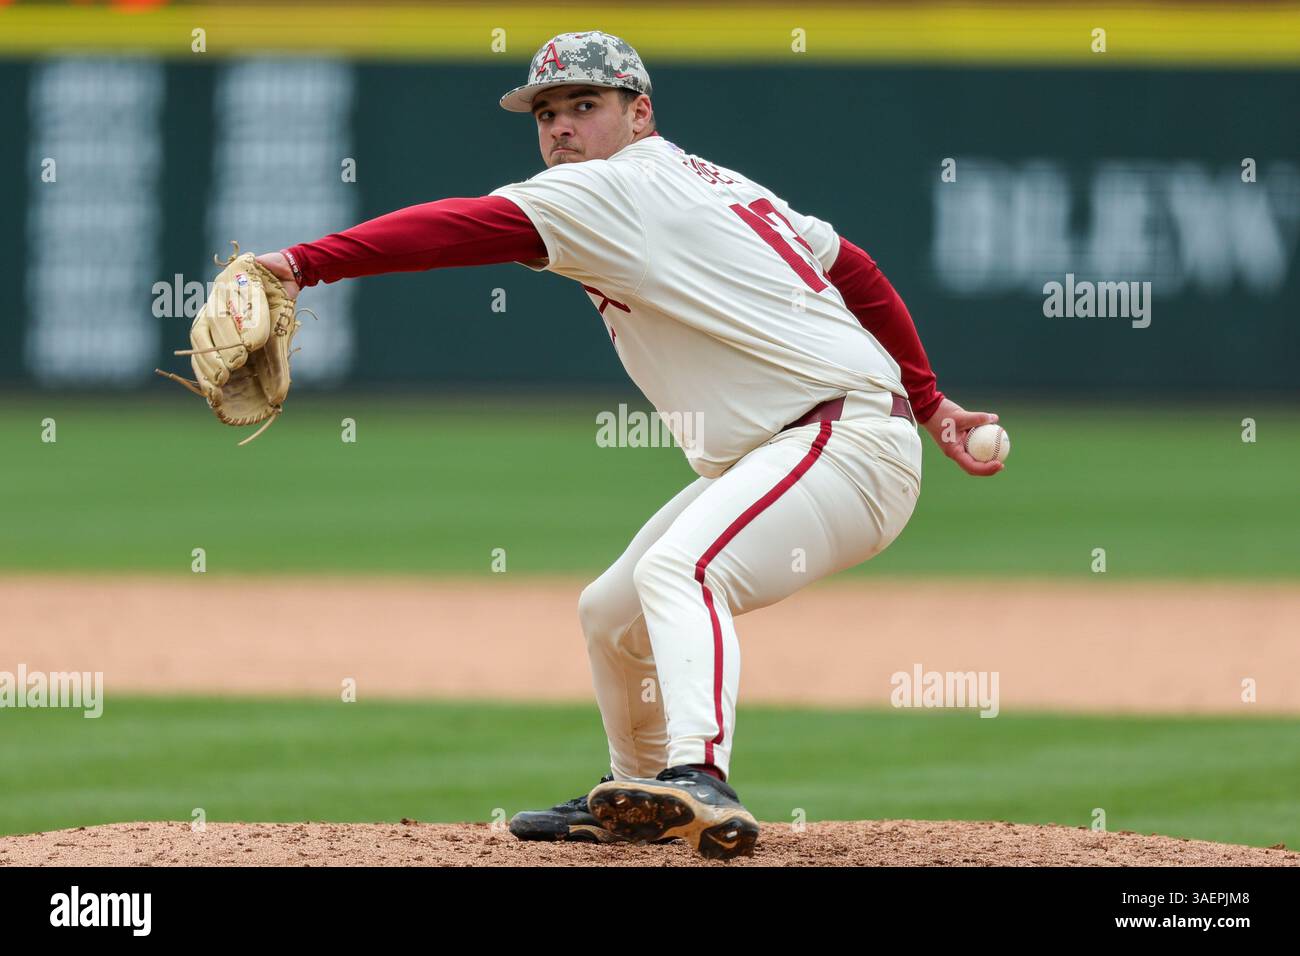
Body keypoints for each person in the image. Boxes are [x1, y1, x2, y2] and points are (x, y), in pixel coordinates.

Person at [255, 30, 1003, 860]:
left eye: (585, 104)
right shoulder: (716, 180)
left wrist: (299, 263)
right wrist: (931, 404)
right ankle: (634, 795)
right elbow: (853, 267)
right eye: (546, 112)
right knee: (611, 613)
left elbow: (459, 228)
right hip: (807, 443)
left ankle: (702, 777)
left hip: (839, 440)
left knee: (680, 570)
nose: (562, 128)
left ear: (639, 112)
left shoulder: (611, 190)